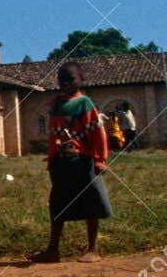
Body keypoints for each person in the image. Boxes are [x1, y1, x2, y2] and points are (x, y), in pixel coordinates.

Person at [32, 62, 111, 264]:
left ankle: (93, 248)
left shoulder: (85, 103)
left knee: (90, 202)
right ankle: (53, 250)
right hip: (60, 162)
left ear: (81, 80)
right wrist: (51, 159)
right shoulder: (56, 104)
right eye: (62, 80)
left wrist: (100, 160)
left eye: (71, 79)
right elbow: (53, 137)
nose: (66, 84)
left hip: (81, 161)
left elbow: (97, 133)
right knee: (57, 204)